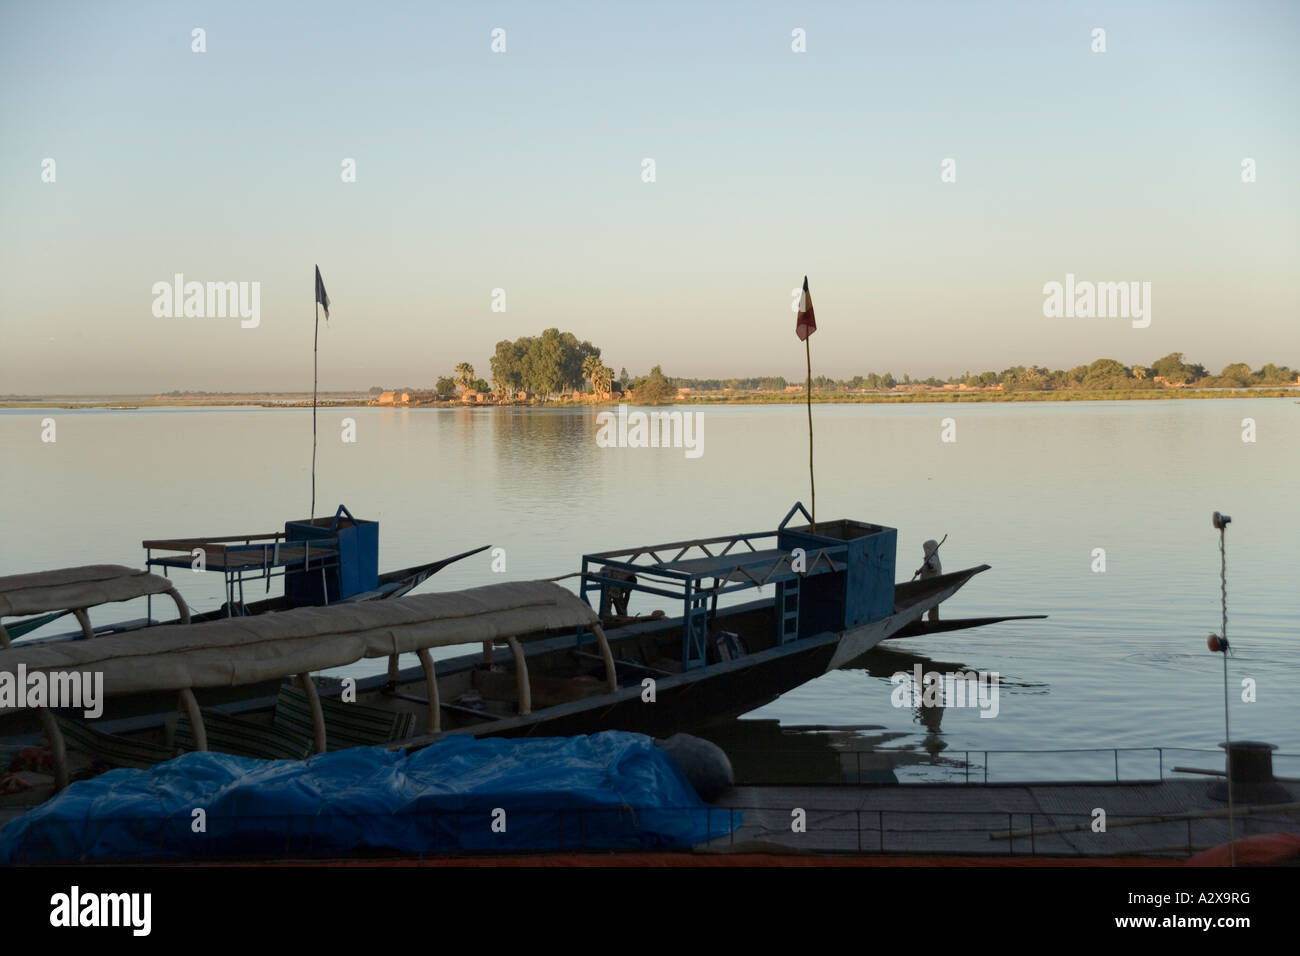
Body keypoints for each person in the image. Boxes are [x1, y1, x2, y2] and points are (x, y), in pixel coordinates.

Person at [918, 539, 943, 622]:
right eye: (925, 549)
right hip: (927, 585)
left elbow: (932, 567)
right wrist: (919, 571)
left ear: (932, 549)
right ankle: (919, 619)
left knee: (932, 606)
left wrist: (928, 563)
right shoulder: (928, 558)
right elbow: (925, 568)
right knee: (926, 604)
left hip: (932, 585)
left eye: (927, 549)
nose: (925, 551)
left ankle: (933, 620)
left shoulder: (933, 558)